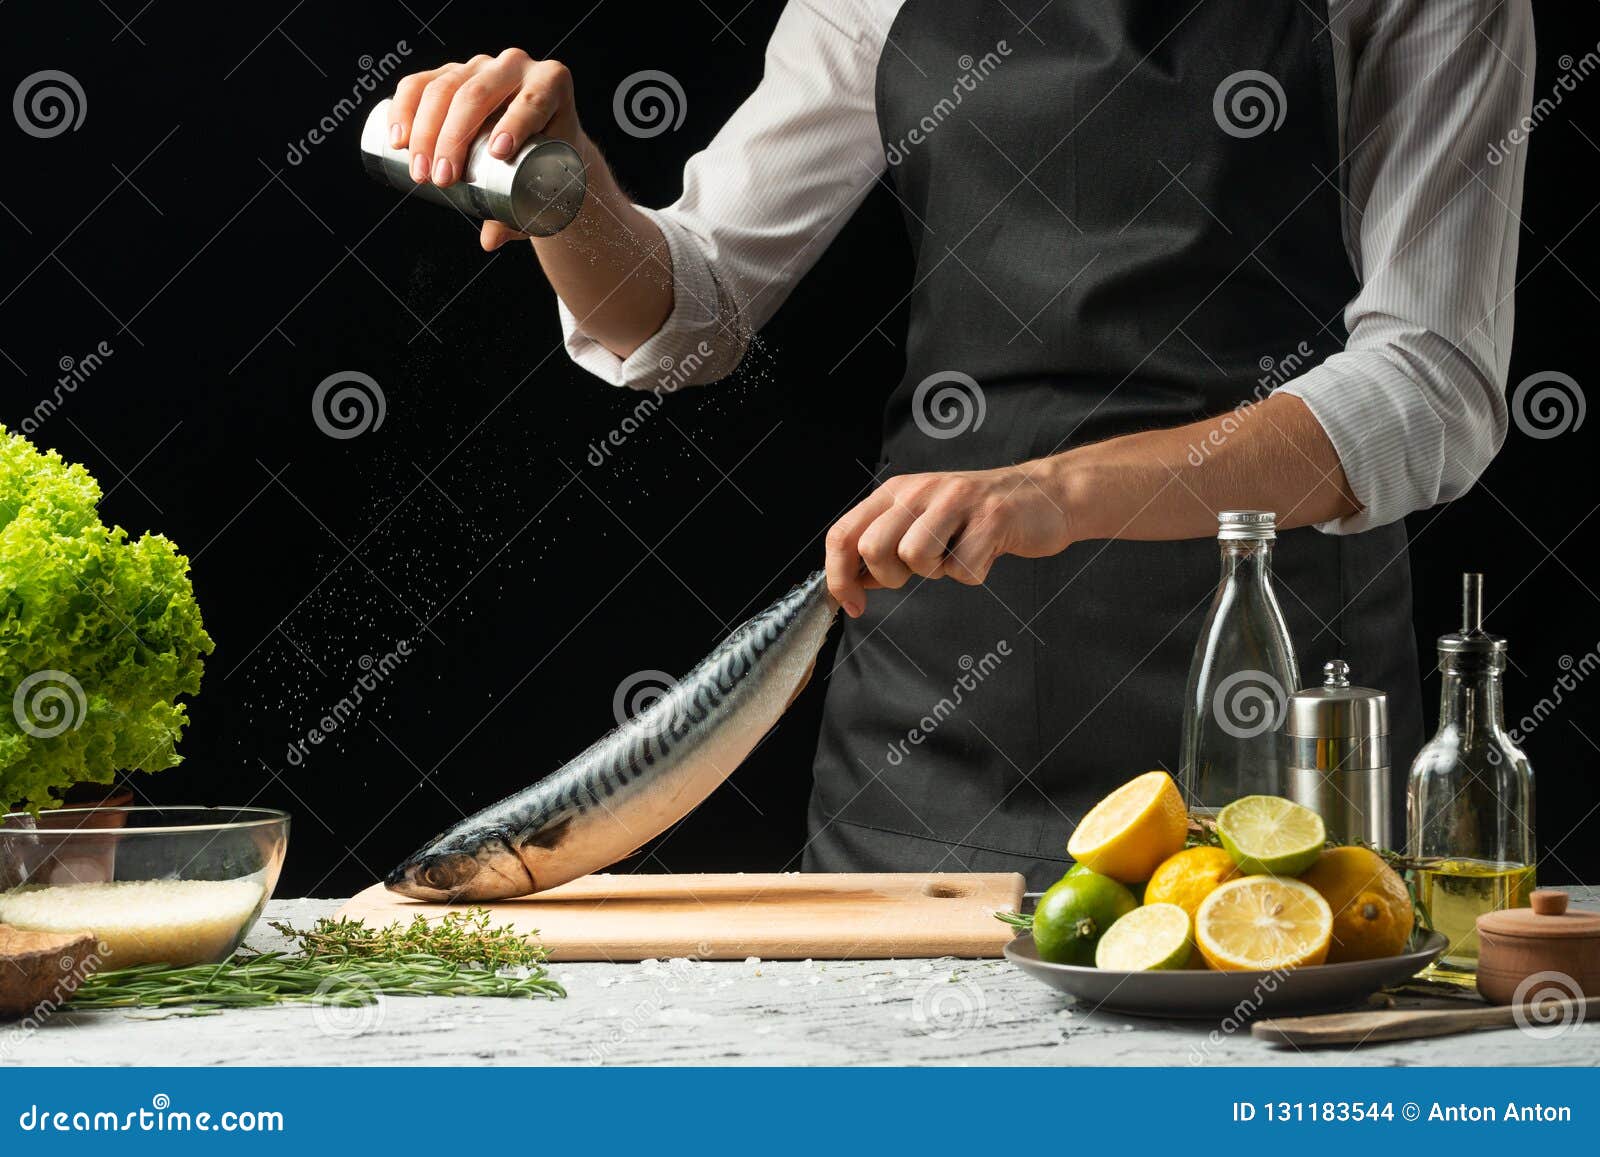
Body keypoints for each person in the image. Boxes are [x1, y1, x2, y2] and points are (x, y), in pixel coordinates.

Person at [386, 1, 1533, 887]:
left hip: (1269, 707)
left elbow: (1430, 383)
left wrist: (1059, 491)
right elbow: (692, 318)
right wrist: (568, 197)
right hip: (935, 733)